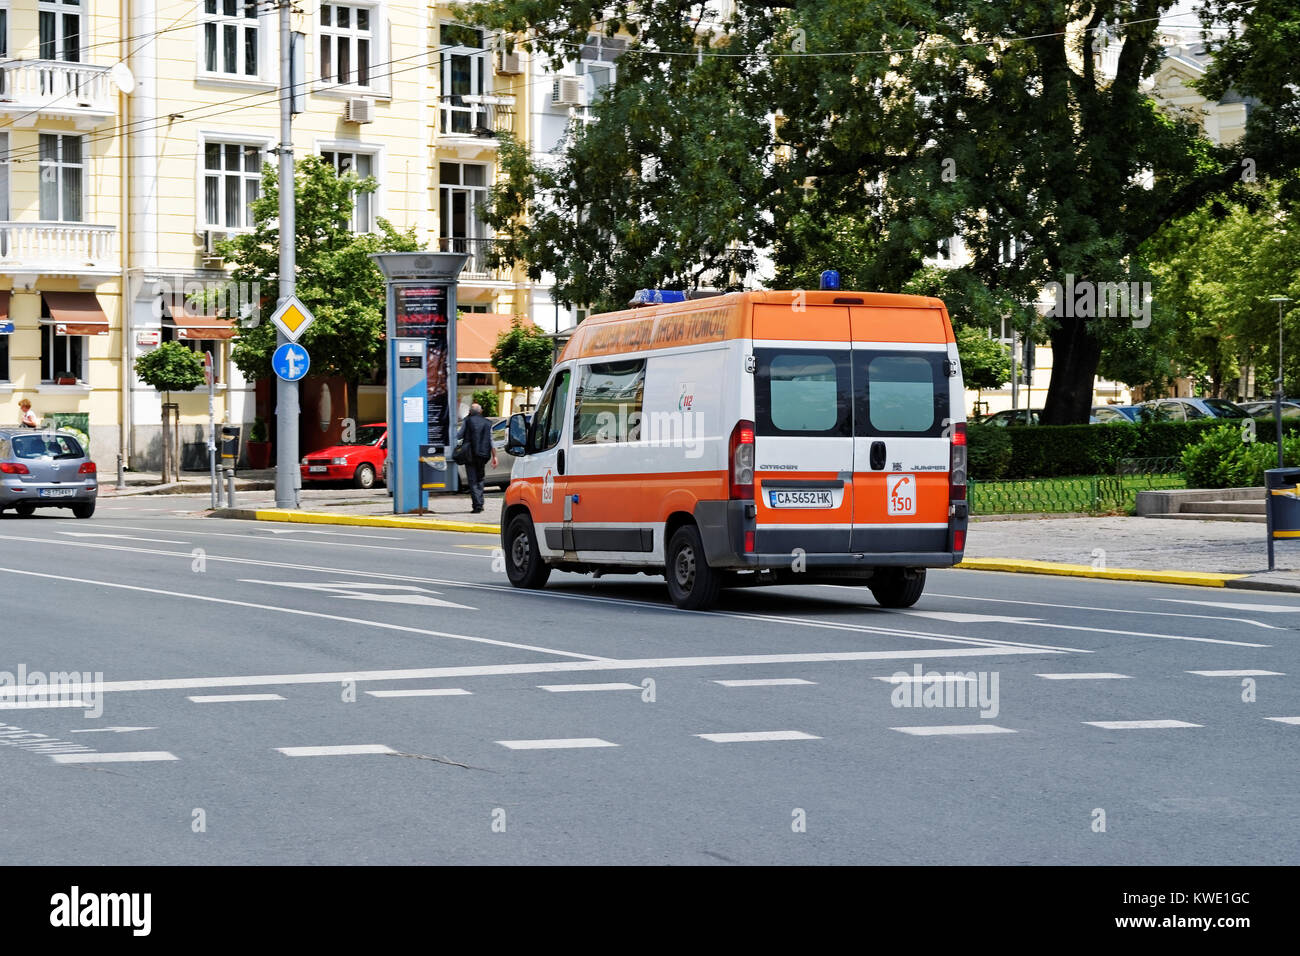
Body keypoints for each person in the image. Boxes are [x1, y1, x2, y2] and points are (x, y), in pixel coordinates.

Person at [459, 402, 497, 514]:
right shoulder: (487, 423)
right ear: (481, 411)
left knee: (472, 480)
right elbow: (491, 441)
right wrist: (495, 456)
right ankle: (480, 502)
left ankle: (477, 505)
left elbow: (459, 435)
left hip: (470, 455)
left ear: (470, 412)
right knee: (480, 479)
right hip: (483, 455)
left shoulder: (467, 421)